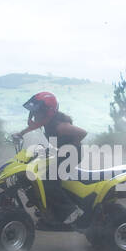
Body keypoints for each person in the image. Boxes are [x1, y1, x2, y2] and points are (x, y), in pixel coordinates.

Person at [17, 91, 87, 224]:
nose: (35, 115)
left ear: (47, 112)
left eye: (38, 112)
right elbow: (31, 127)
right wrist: (20, 134)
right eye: (34, 111)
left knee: (49, 181)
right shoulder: (45, 122)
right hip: (60, 151)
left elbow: (83, 133)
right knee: (37, 172)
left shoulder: (60, 126)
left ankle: (71, 211)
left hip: (72, 153)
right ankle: (47, 206)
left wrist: (71, 146)